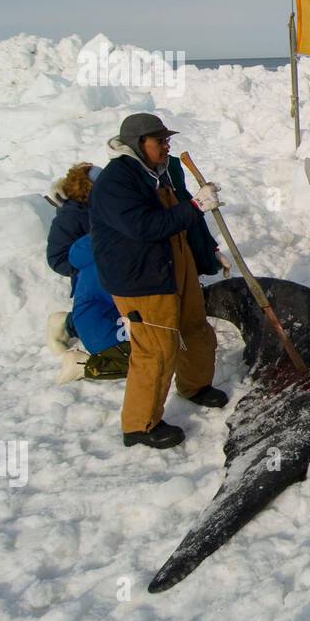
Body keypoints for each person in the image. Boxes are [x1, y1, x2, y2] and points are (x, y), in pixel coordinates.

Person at [90, 113, 230, 450]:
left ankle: (195, 385)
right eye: (160, 141)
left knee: (195, 328)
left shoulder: (157, 173)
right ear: (138, 144)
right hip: (142, 278)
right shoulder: (117, 182)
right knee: (155, 350)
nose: (167, 146)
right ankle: (139, 425)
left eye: (168, 140)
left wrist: (207, 252)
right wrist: (196, 205)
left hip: (173, 266)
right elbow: (145, 227)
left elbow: (180, 219)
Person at [50, 234, 133, 383]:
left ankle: (69, 323)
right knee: (146, 360)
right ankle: (83, 365)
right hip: (103, 332)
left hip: (92, 318)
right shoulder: (119, 257)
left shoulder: (99, 248)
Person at [45, 162, 98, 348]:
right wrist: (85, 265)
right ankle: (66, 325)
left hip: (110, 267)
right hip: (91, 277)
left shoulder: (98, 209)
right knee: (99, 313)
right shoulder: (69, 217)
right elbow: (56, 257)